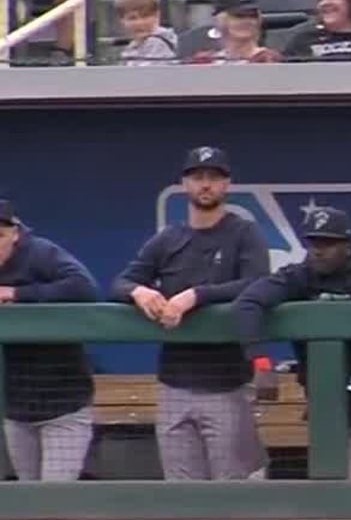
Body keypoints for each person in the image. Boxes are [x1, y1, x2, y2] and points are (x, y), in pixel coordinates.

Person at [110, 147, 271, 481]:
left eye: (213, 177)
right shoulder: (169, 238)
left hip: (227, 383)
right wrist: (139, 291)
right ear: (185, 184)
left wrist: (196, 296)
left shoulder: (243, 233)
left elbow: (257, 283)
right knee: (181, 492)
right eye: (198, 177)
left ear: (226, 184)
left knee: (232, 487)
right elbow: (120, 283)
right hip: (174, 383)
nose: (205, 184)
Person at [232, 206, 351, 480]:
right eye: (313, 243)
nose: (318, 251)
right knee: (343, 499)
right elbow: (248, 303)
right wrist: (260, 362)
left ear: (348, 247)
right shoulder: (299, 276)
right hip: (331, 412)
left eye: (328, 243)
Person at [0, 198, 100, 482]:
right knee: (30, 498)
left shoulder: (40, 253)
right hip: (17, 407)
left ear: (15, 233)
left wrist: (17, 294)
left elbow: (85, 288)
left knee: (56, 497)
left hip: (64, 404)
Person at [190, 0, 282, 64]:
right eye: (239, 16)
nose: (247, 21)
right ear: (220, 19)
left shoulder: (270, 60)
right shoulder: (204, 62)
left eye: (253, 16)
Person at [114, 0, 179, 65]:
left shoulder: (159, 42)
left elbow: (146, 71)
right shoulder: (133, 46)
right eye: (132, 18)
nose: (139, 23)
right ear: (122, 21)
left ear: (157, 15)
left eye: (145, 16)